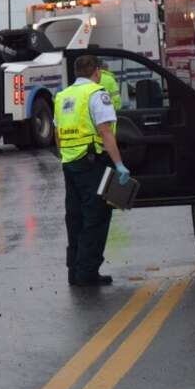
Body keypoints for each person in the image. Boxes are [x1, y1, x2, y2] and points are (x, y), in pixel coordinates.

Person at [54, 54, 131, 287]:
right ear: (96, 72)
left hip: (70, 163)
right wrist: (118, 164)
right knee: (95, 218)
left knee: (75, 217)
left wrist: (65, 158)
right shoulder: (96, 94)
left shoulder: (62, 96)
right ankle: (87, 273)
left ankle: (75, 272)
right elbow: (106, 132)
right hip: (92, 163)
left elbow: (57, 135)